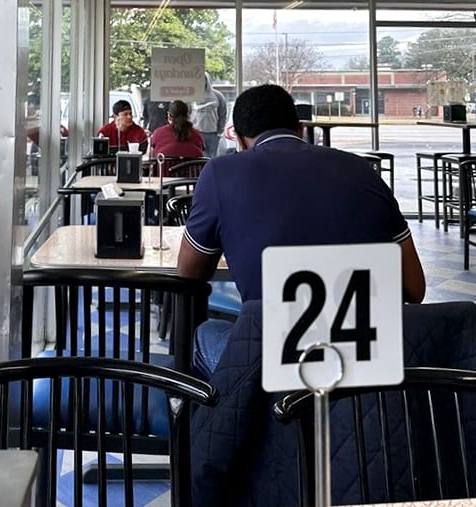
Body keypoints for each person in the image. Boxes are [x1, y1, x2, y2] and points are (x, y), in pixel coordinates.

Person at [178, 83, 426, 378]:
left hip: (274, 371)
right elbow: (415, 288)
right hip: (369, 369)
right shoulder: (362, 171)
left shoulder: (220, 173)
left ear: (241, 142)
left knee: (206, 333)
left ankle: (207, 419)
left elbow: (189, 276)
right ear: (300, 128)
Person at [191, 72, 227, 158]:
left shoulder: (218, 96)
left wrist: (220, 130)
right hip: (196, 132)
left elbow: (223, 113)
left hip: (212, 133)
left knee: (212, 157)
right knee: (197, 157)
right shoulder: (192, 95)